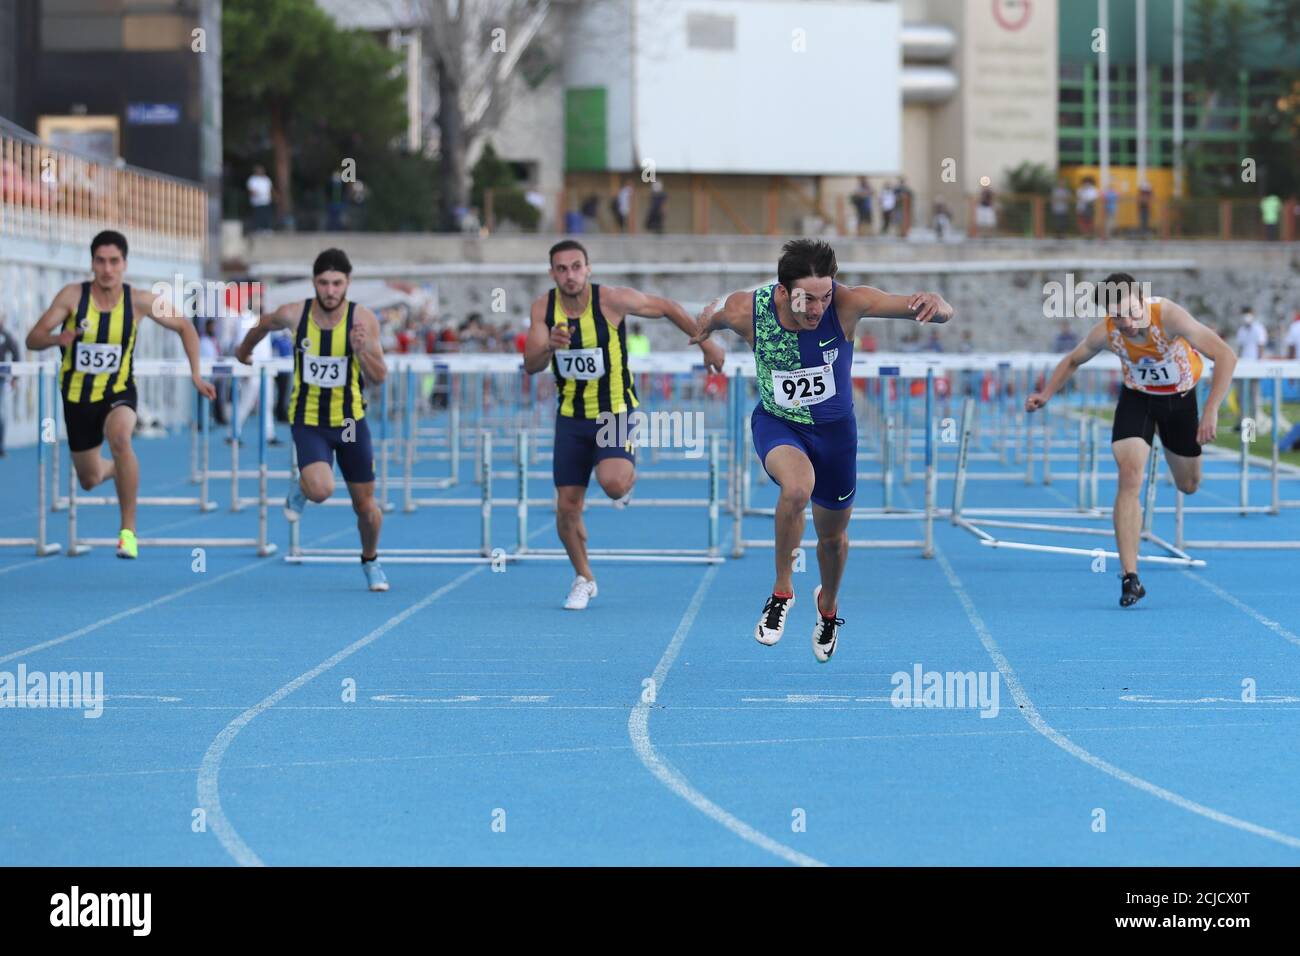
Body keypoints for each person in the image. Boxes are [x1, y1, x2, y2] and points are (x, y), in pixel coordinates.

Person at [691, 239, 953, 661]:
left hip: (835, 436)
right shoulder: (748, 311)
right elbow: (710, 317)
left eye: (824, 296)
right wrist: (705, 337)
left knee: (832, 539)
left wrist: (938, 305)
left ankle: (827, 606)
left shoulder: (848, 304)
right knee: (796, 489)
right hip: (780, 423)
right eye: (806, 299)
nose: (817, 309)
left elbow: (929, 309)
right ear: (782, 291)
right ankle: (781, 592)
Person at [522, 239, 726, 610]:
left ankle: (624, 474)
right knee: (567, 508)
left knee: (613, 485)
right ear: (553, 273)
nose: (570, 275)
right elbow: (531, 364)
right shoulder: (544, 308)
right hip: (570, 417)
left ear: (588, 269)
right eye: (562, 269)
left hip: (613, 410)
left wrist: (705, 342)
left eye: (576, 266)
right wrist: (549, 345)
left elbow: (665, 307)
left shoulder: (612, 300)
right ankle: (584, 577)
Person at [1025, 273, 1237, 608]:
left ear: (1142, 300)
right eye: (1118, 316)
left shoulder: (1168, 316)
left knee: (1189, 484)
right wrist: (1046, 394)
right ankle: (1130, 578)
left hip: (1180, 401)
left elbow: (1226, 355)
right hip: (1138, 401)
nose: (1127, 323)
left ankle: (1171, 454)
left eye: (1131, 312)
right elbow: (1073, 360)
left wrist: (1211, 410)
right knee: (1129, 477)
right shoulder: (1108, 332)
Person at [23, 230, 216, 557]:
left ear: (125, 264)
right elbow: (33, 338)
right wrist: (59, 339)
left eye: (114, 261)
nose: (107, 269)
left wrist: (196, 373)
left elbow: (184, 325)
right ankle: (116, 470)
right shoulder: (72, 297)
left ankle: (128, 531)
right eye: (101, 261)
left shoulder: (138, 301)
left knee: (121, 439)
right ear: (92, 264)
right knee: (89, 478)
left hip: (119, 392)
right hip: (77, 398)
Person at [234, 248, 390, 592]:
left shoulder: (362, 320)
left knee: (365, 507)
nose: (330, 290)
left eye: (337, 283)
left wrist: (361, 350)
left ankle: (371, 559)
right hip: (308, 420)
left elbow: (380, 377)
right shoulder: (294, 314)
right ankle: (303, 487)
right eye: (323, 283)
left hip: (349, 421)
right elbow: (262, 324)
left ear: (348, 283)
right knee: (321, 489)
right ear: (314, 283)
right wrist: (243, 352)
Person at [1235, 307, 1268, 426]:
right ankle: (1242, 422)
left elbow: (1261, 347)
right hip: (1243, 366)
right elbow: (1240, 348)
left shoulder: (1258, 328)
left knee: (1253, 397)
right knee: (1241, 397)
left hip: (1254, 366)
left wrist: (1258, 366)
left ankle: (1253, 424)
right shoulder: (1241, 330)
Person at [0, 313, 20, 456]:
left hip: (0, 379)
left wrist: (15, 377)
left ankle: (0, 446)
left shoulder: (6, 336)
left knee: (1, 413)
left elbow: (16, 354)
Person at [247, 165, 273, 233]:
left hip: (266, 200)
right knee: (258, 215)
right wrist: (256, 194)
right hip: (257, 201)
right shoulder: (252, 179)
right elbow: (251, 190)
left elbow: (270, 189)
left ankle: (267, 228)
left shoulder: (266, 179)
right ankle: (258, 228)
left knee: (266, 215)